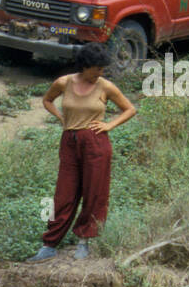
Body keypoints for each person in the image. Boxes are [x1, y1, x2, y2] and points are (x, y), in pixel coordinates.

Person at [26, 43, 136, 262]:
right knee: (63, 194)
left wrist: (109, 126)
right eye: (98, 68)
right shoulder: (64, 82)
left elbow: (130, 109)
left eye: (103, 68)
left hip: (96, 143)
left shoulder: (105, 86)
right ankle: (49, 243)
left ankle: (84, 241)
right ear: (85, 66)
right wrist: (61, 118)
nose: (101, 72)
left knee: (95, 192)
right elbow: (47, 100)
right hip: (69, 141)